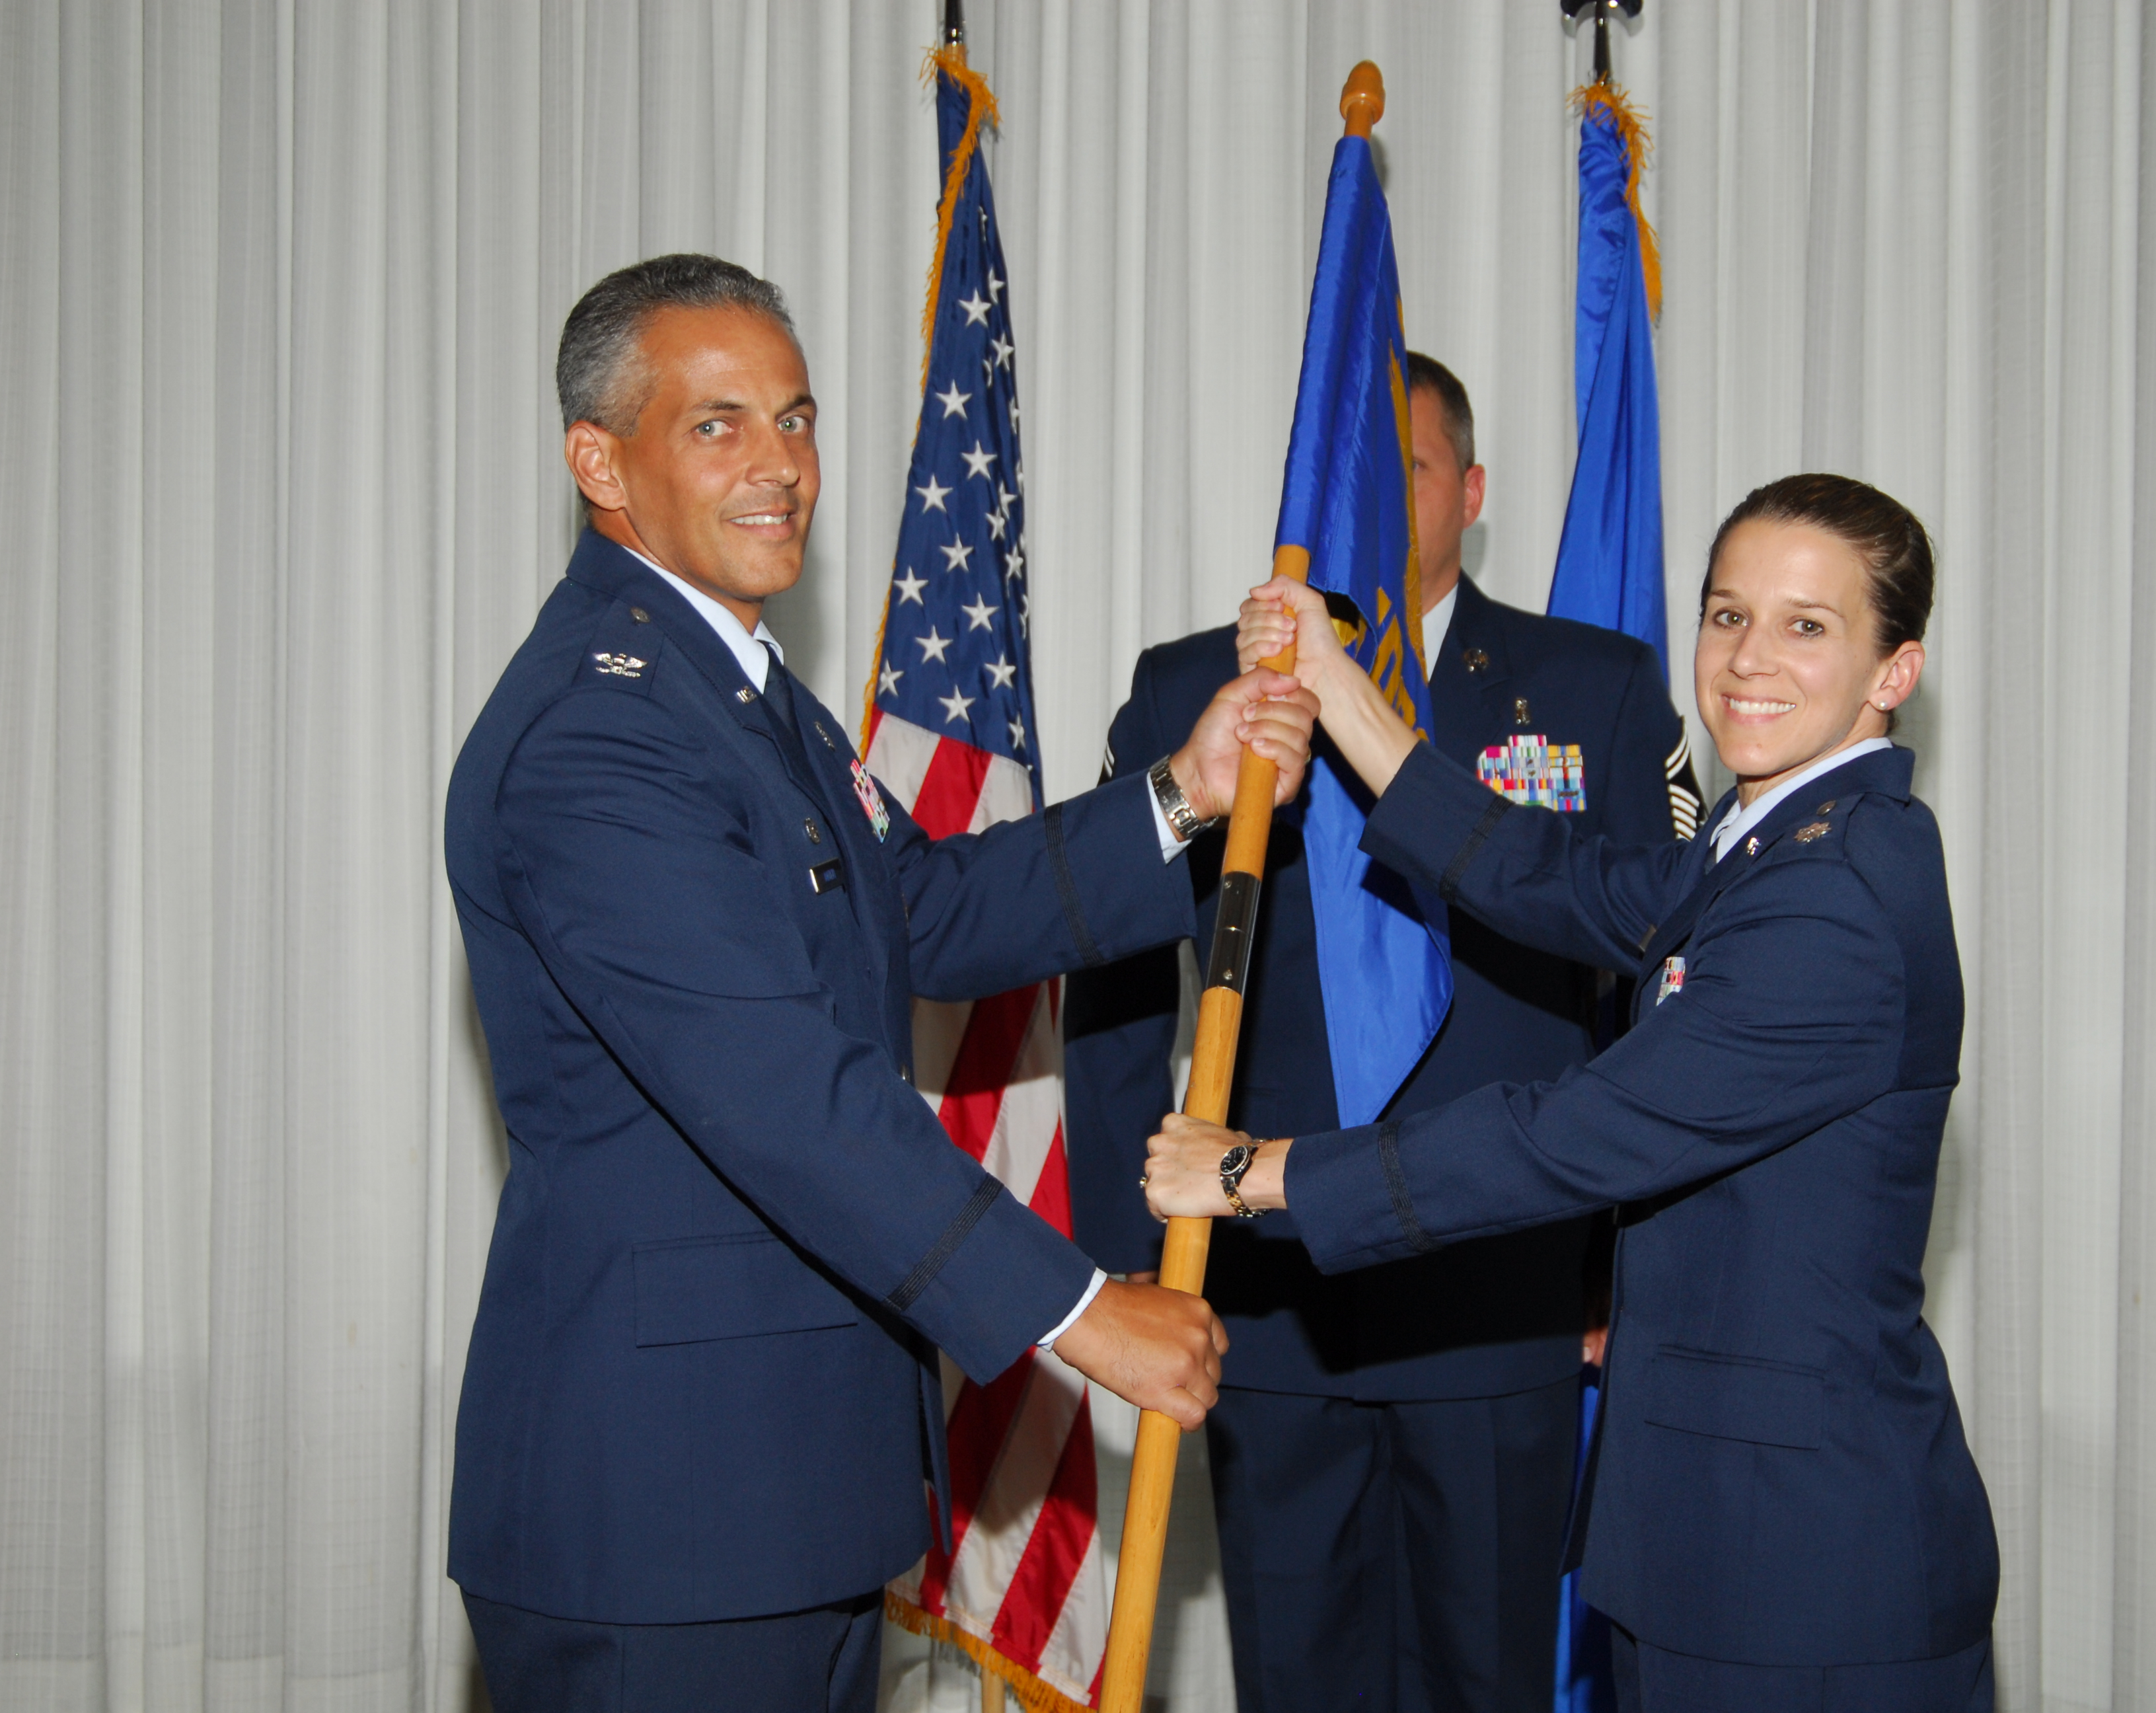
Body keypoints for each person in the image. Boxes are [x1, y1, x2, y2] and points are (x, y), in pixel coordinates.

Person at [442, 254, 1316, 1713]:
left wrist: (1181, 789)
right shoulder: (599, 738)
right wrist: (1080, 1309)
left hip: (789, 1491)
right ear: (600, 459)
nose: (781, 465)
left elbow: (919, 906)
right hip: (659, 1522)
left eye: (794, 418)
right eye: (717, 424)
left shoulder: (733, 692)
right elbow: (784, 1096)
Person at [1144, 473, 2000, 1710]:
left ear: (1893, 671)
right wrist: (1341, 692)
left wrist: (1252, 1172)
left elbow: (1573, 1137)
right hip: (1707, 1535)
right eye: (1727, 615)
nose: (1749, 660)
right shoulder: (1758, 845)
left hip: (1805, 1569)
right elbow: (1553, 875)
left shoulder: (1837, 895)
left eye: (1807, 627)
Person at [1064, 354, 1700, 1711]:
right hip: (1268, 1297)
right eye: (1345, 476)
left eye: (1405, 468)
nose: (1371, 501)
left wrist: (1624, 1260)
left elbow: (1658, 991)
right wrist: (1130, 1266)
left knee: (1486, 1681)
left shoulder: (1590, 686)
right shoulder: (1193, 685)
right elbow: (1112, 980)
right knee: (1300, 1682)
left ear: (1469, 493)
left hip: (1500, 1285)